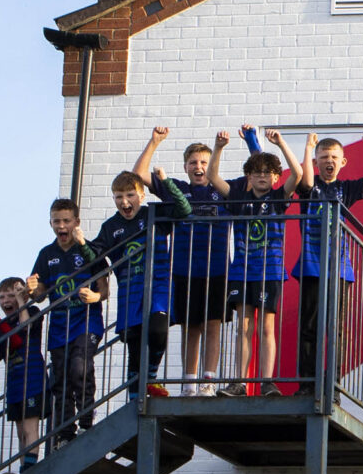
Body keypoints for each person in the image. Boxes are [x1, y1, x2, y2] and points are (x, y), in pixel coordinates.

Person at [88, 129, 192, 395]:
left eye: (130, 195)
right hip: (130, 291)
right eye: (119, 197)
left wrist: (165, 183)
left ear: (141, 196)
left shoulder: (153, 214)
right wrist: (79, 242)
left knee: (158, 332)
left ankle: (151, 378)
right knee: (135, 342)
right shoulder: (111, 227)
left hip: (157, 286)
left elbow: (183, 210)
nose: (125, 202)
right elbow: (95, 256)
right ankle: (136, 396)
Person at [292, 130, 363, 385]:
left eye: (333, 156)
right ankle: (307, 383)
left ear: (342, 162)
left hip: (340, 268)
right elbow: (305, 182)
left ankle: (333, 380)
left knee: (337, 328)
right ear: (316, 162)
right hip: (311, 266)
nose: (328, 161)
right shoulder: (309, 187)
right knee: (309, 326)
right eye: (323, 157)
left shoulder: (346, 189)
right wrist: (309, 148)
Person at [228, 126, 304, 390]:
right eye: (257, 173)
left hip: (270, 270)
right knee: (243, 327)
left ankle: (266, 382)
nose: (263, 176)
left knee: (266, 326)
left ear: (275, 177)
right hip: (242, 271)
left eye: (269, 173)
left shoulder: (278, 198)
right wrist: (220, 148)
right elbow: (215, 177)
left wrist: (282, 142)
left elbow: (298, 174)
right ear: (248, 176)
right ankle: (239, 382)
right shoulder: (239, 199)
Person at [30, 198, 104, 442]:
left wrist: (94, 296)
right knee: (60, 380)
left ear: (76, 222)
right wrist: (31, 289)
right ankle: (65, 433)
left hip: (85, 322)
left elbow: (104, 289)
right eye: (56, 221)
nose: (61, 226)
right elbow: (39, 294)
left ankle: (85, 422)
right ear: (50, 223)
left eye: (66, 221)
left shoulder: (88, 249)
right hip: (59, 327)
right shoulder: (46, 254)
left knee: (79, 367)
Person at [173, 132, 238, 392]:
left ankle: (208, 382)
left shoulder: (223, 191)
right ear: (186, 166)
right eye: (193, 163)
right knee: (190, 327)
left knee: (213, 325)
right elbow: (142, 178)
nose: (198, 167)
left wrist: (219, 148)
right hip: (185, 270)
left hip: (218, 270)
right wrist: (155, 142)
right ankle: (189, 383)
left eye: (203, 162)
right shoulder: (178, 190)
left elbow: (260, 179)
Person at [0, 276, 51, 459]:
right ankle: (25, 464)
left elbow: (25, 326)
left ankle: (29, 468)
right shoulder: (2, 324)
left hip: (32, 379)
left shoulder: (31, 310)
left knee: (29, 427)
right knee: (20, 431)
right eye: (2, 297)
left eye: (10, 296)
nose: (6, 301)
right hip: (14, 382)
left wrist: (21, 299)